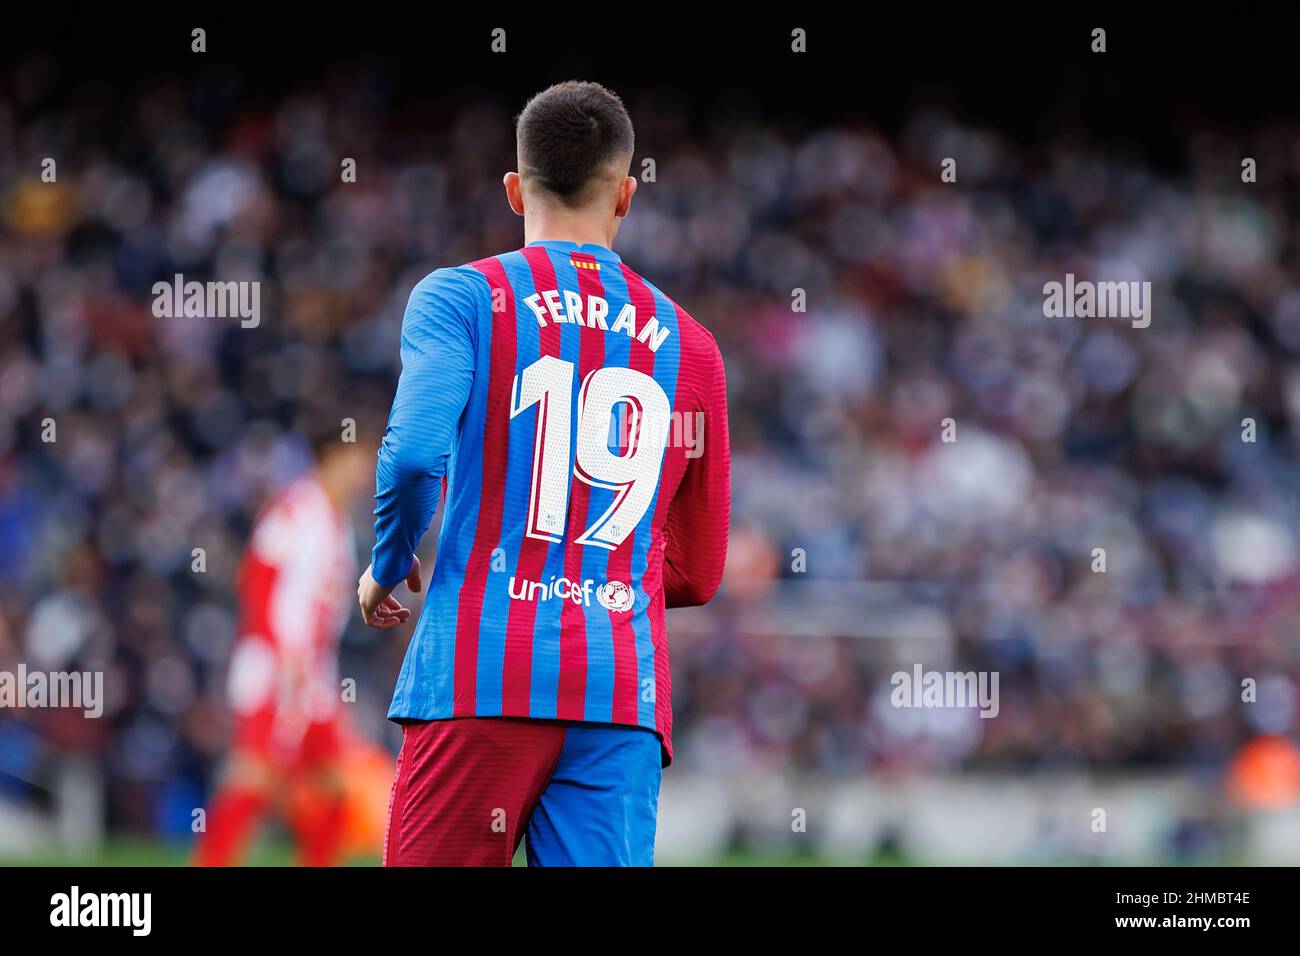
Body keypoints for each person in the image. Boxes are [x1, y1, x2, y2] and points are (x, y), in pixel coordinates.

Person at [357, 80, 731, 866]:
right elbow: (697, 572)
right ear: (627, 195)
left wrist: (389, 564)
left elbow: (418, 452)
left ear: (513, 188)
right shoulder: (691, 347)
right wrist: (600, 571)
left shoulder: (461, 299)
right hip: (616, 694)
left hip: (478, 675)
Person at [196, 416, 373, 866]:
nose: (364, 471)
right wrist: (283, 654)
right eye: (359, 458)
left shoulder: (338, 522)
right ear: (333, 456)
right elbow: (256, 580)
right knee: (254, 776)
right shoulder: (295, 509)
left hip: (314, 676)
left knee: (333, 785)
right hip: (276, 670)